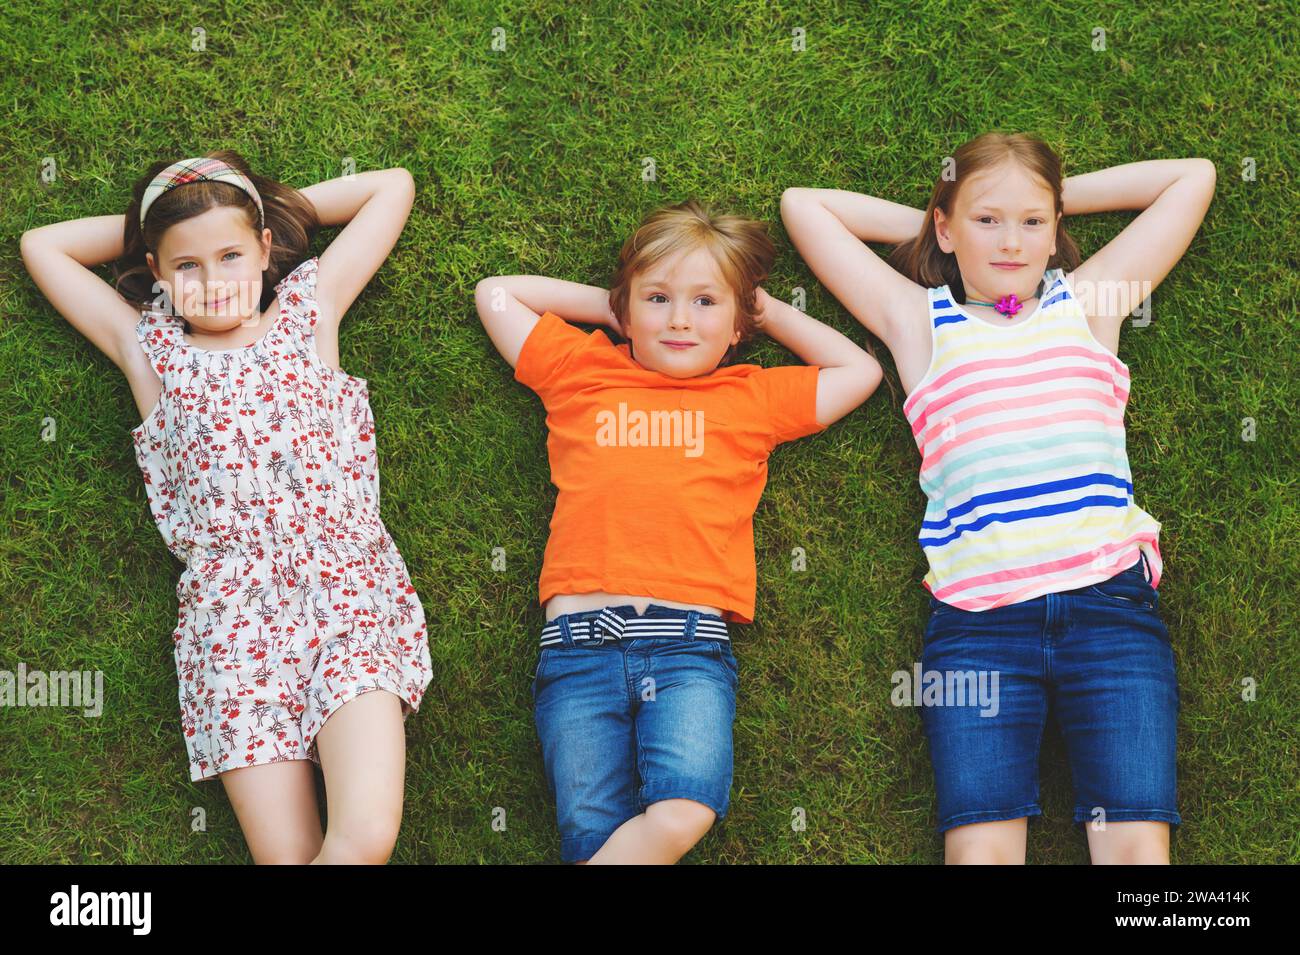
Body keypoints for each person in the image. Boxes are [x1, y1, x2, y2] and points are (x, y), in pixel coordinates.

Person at [782, 133, 1215, 863]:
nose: (1011, 242)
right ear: (946, 228)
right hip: (979, 629)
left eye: (1033, 222)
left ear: (1056, 227)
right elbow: (805, 206)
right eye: (987, 221)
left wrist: (1036, 198)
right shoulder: (918, 322)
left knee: (1139, 848)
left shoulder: (1089, 302)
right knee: (979, 852)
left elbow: (1192, 178)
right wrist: (943, 219)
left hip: (1110, 610)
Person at [20, 151, 432, 864]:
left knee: (364, 835)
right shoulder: (148, 347)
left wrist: (243, 199)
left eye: (232, 253)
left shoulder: (312, 305)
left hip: (344, 591)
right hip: (231, 619)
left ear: (266, 247)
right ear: (153, 269)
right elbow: (42, 246)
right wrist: (169, 220)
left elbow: (391, 185)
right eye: (185, 266)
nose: (212, 284)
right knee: (289, 855)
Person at [475, 199, 882, 862]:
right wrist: (615, 307)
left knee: (685, 806)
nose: (680, 319)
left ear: (737, 324)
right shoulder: (582, 370)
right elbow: (495, 294)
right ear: (627, 310)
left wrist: (764, 309)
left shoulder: (749, 396)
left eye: (705, 302)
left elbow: (859, 372)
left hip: (687, 649)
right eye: (658, 299)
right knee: (590, 833)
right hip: (579, 647)